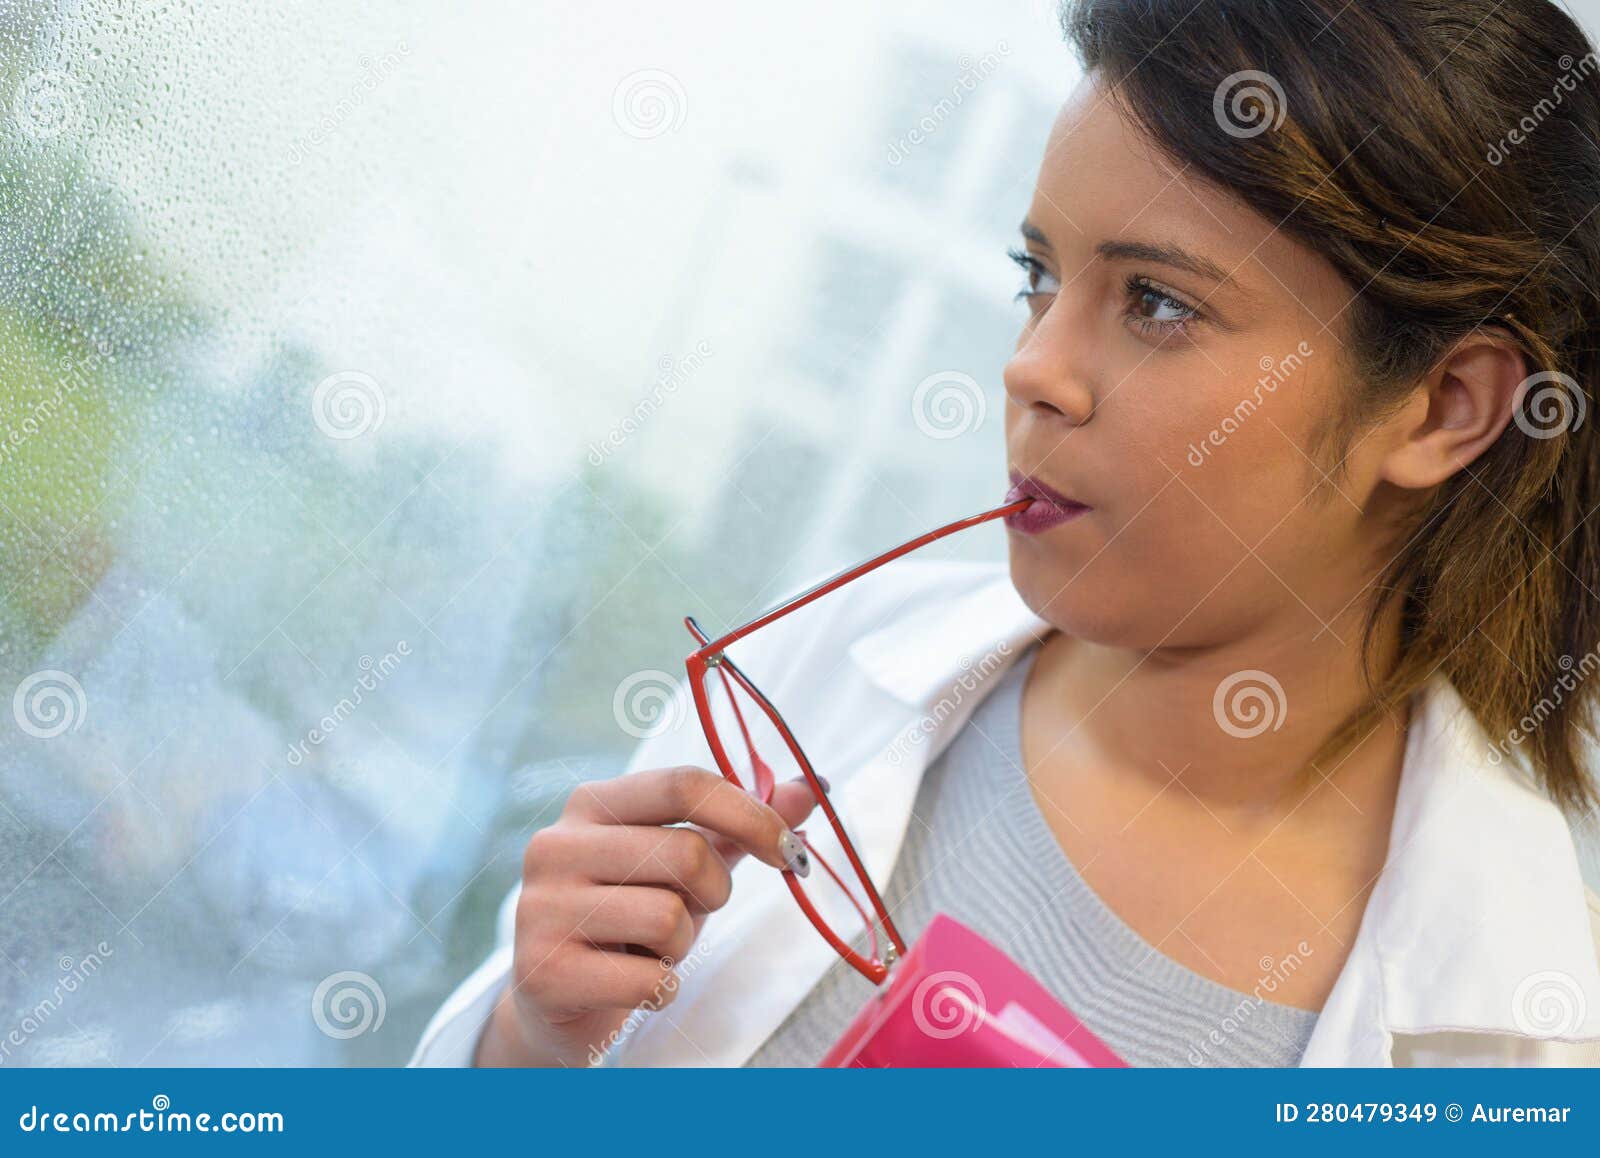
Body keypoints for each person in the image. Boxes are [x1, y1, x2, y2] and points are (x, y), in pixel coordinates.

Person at [415, 0, 1600, 1067]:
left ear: (1445, 408)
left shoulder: (1520, 1040)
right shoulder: (818, 675)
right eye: (1036, 273)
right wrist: (529, 1050)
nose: (1031, 366)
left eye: (1159, 303)